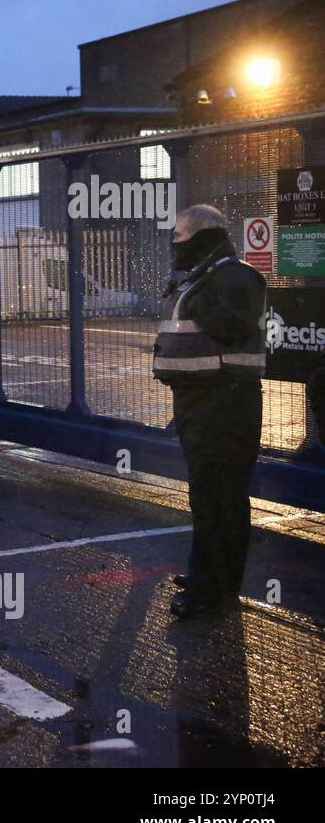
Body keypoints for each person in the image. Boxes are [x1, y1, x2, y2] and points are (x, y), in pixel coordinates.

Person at [152, 204, 266, 619]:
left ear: (202, 237)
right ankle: (209, 576)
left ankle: (211, 590)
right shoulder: (201, 276)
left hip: (226, 403)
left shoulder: (234, 275)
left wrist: (198, 300)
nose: (174, 246)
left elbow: (234, 325)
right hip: (199, 402)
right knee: (207, 494)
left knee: (220, 496)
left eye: (180, 238)